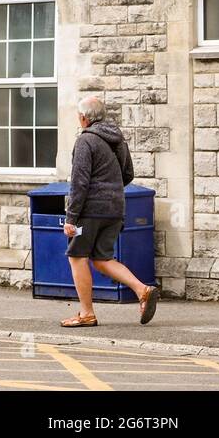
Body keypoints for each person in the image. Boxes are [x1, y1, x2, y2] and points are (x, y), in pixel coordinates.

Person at [61, 95, 159, 327]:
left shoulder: (85, 140)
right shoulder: (117, 139)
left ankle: (87, 314)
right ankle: (142, 290)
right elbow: (128, 174)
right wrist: (110, 190)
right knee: (102, 258)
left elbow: (80, 182)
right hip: (115, 207)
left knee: (77, 257)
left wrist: (71, 218)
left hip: (90, 211)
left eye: (78, 116)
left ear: (84, 118)